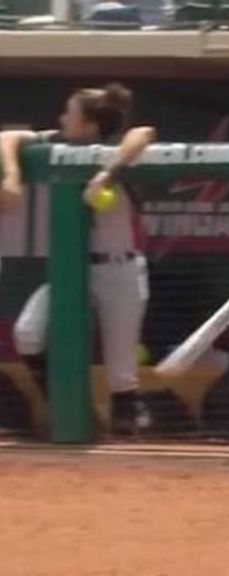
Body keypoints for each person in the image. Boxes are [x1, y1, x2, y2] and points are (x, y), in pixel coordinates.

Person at [0, 83, 157, 435]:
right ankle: (66, 403)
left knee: (121, 373)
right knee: (27, 333)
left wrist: (106, 174)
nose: (61, 119)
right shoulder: (59, 142)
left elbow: (144, 133)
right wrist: (11, 177)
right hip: (73, 268)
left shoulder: (119, 149)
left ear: (88, 126)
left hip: (121, 269)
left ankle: (128, 447)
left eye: (69, 114)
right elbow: (7, 139)